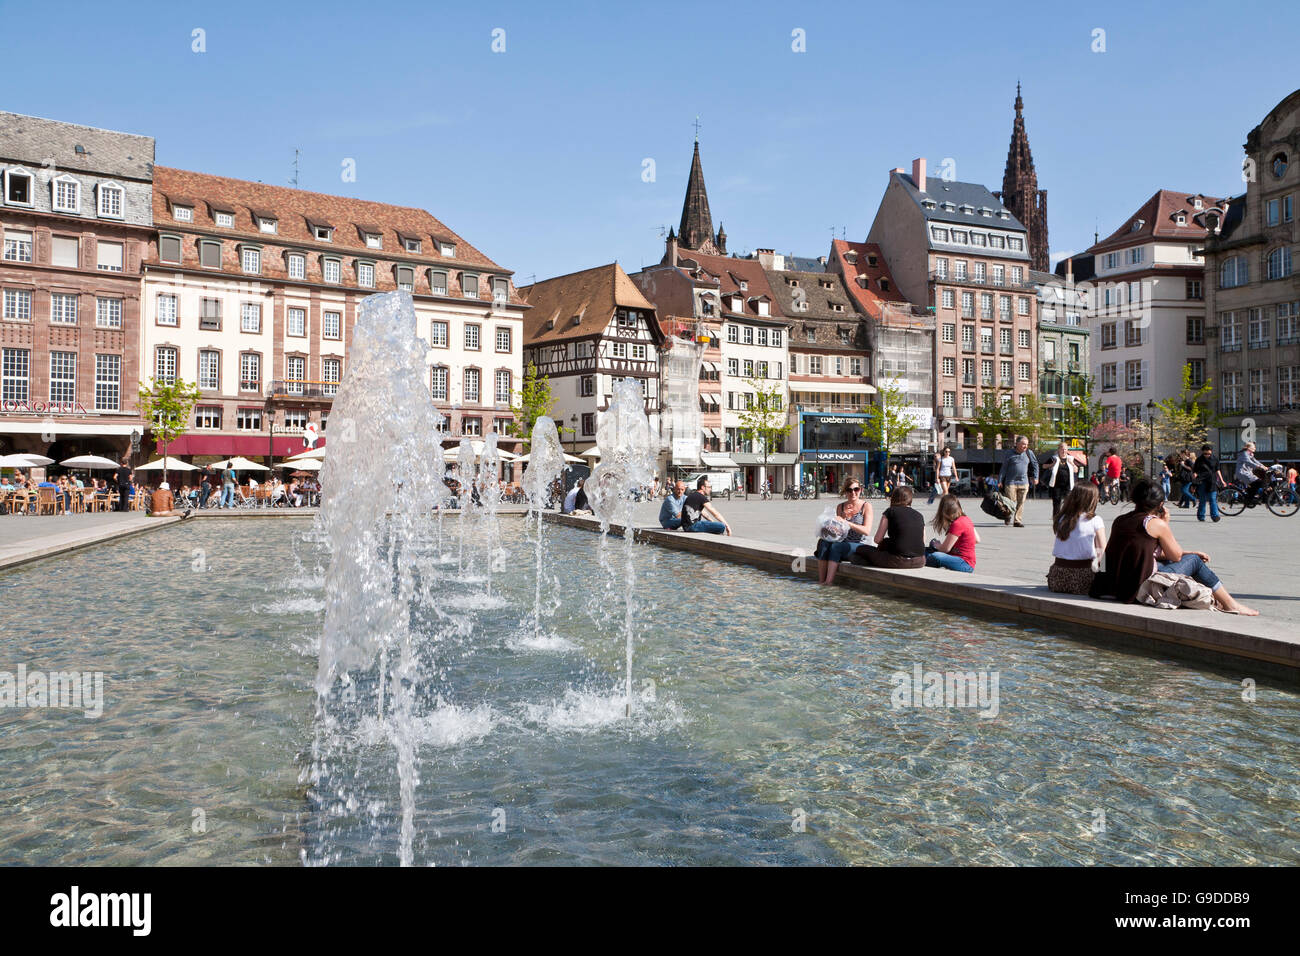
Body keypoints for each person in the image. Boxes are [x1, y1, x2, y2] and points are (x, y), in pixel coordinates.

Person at [1091, 478, 1257, 614]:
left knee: (1187, 557)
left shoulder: (1121, 520)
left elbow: (1136, 553)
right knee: (1194, 561)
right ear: (1160, 503)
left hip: (1116, 585)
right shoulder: (1155, 523)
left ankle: (1217, 600)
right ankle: (1230, 604)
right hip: (1140, 587)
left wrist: (1188, 551)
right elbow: (1176, 556)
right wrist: (1166, 524)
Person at [814, 477, 874, 585]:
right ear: (845, 491)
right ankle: (821, 581)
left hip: (859, 545)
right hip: (843, 543)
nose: (853, 493)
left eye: (856, 489)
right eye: (849, 490)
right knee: (823, 543)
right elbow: (839, 533)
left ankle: (828, 582)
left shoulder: (866, 506)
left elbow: (867, 531)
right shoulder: (841, 507)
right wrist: (838, 522)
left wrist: (848, 523)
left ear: (860, 490)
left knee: (836, 547)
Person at [1047, 484, 1106, 594]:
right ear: (1092, 500)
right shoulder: (1096, 520)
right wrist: (1104, 574)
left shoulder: (1062, 518)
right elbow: (1102, 551)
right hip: (1082, 577)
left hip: (1057, 577)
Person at [854, 484, 926, 569]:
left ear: (894, 498)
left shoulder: (890, 512)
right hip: (920, 561)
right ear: (910, 499)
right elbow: (923, 541)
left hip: (897, 561)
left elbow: (877, 540)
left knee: (861, 549)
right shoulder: (919, 515)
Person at [925, 494, 979, 572]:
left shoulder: (958, 523)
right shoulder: (966, 518)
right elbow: (977, 539)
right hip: (967, 562)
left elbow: (945, 549)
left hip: (964, 563)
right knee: (926, 553)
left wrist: (937, 545)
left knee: (935, 556)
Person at [998, 434, 1039, 528]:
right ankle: (1007, 515)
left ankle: (1017, 520)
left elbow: (1035, 464)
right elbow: (1004, 467)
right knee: (1011, 502)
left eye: (1027, 444)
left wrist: (1036, 477)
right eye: (1023, 444)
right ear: (1017, 444)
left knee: (1021, 502)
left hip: (1024, 482)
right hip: (1010, 482)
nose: (1026, 446)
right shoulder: (1009, 453)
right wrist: (1000, 480)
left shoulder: (1029, 453)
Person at [1043, 442, 1076, 521]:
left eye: (1065, 449)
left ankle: (1067, 517)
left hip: (1068, 484)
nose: (1063, 451)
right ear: (1058, 449)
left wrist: (1072, 463)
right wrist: (1052, 464)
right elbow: (1044, 466)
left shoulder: (1070, 458)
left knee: (1068, 502)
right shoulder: (1054, 458)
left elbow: (1076, 470)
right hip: (1056, 484)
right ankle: (1056, 518)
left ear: (1067, 450)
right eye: (1062, 449)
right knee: (1057, 502)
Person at [1192, 444, 1222, 522]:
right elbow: (1195, 470)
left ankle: (1215, 516)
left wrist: (1222, 480)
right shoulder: (1199, 460)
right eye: (1205, 454)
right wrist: (1194, 477)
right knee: (1202, 499)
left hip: (1212, 481)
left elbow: (1217, 470)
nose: (1207, 455)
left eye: (1208, 454)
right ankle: (1201, 516)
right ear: (1202, 452)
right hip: (1201, 481)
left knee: (1212, 499)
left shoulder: (1215, 459)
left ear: (1211, 452)